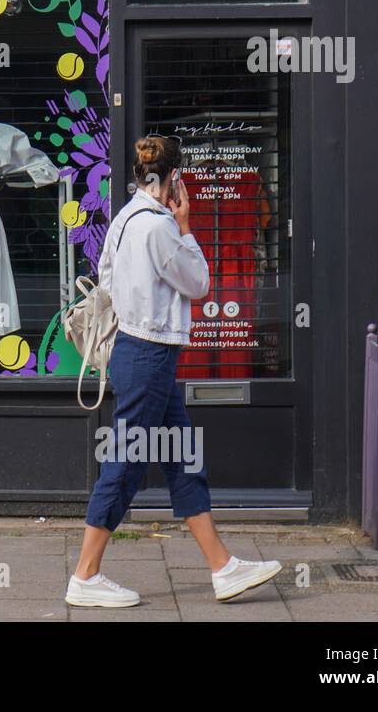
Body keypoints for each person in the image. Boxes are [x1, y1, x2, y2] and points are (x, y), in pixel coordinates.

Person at [65, 135, 282, 607]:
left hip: (135, 349)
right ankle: (85, 575)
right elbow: (200, 284)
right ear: (173, 178)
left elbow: (105, 277)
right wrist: (185, 224)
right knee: (124, 462)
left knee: (183, 458)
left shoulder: (123, 219)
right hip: (149, 354)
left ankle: (222, 566)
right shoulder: (160, 227)